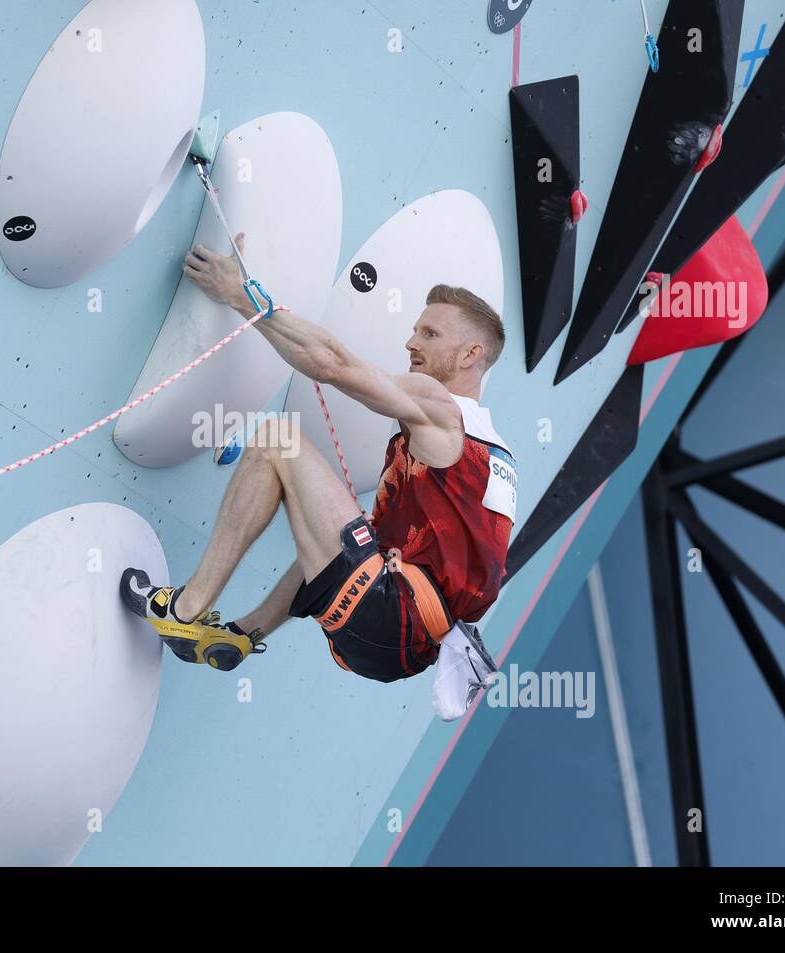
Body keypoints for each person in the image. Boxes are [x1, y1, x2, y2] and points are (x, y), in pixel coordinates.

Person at [121, 234, 516, 700]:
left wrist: (241, 294)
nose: (411, 342)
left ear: (471, 355)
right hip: (402, 649)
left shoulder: (443, 410)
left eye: (430, 334)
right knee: (353, 534)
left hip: (388, 609)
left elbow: (331, 363)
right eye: (415, 330)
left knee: (277, 441)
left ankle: (183, 613)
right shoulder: (498, 459)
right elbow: (347, 553)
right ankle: (241, 636)